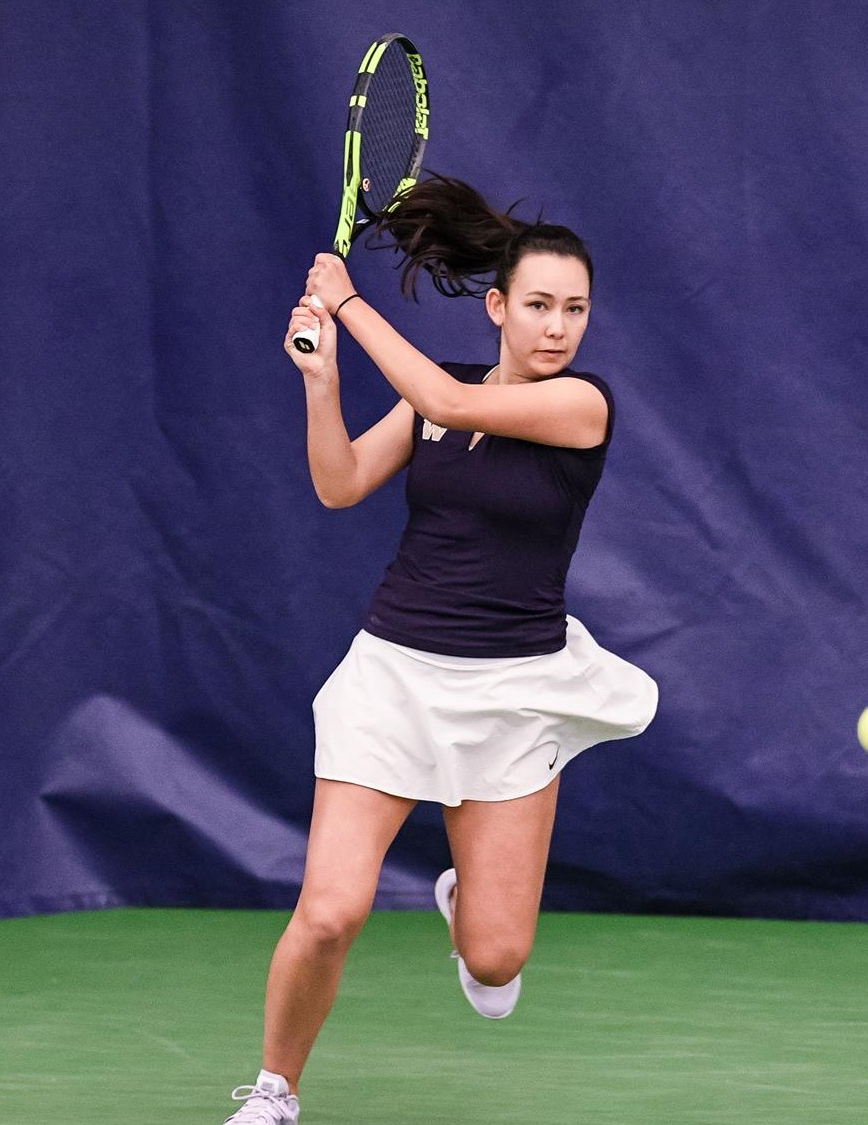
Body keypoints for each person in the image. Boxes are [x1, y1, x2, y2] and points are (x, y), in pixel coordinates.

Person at [220, 175, 660, 1124]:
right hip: (393, 674)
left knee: (496, 963)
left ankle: (467, 902)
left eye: (575, 309)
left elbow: (446, 401)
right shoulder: (441, 395)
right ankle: (275, 1092)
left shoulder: (582, 405)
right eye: (538, 305)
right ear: (498, 307)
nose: (558, 327)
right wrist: (322, 382)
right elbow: (340, 483)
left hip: (516, 692)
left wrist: (348, 303)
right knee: (331, 910)